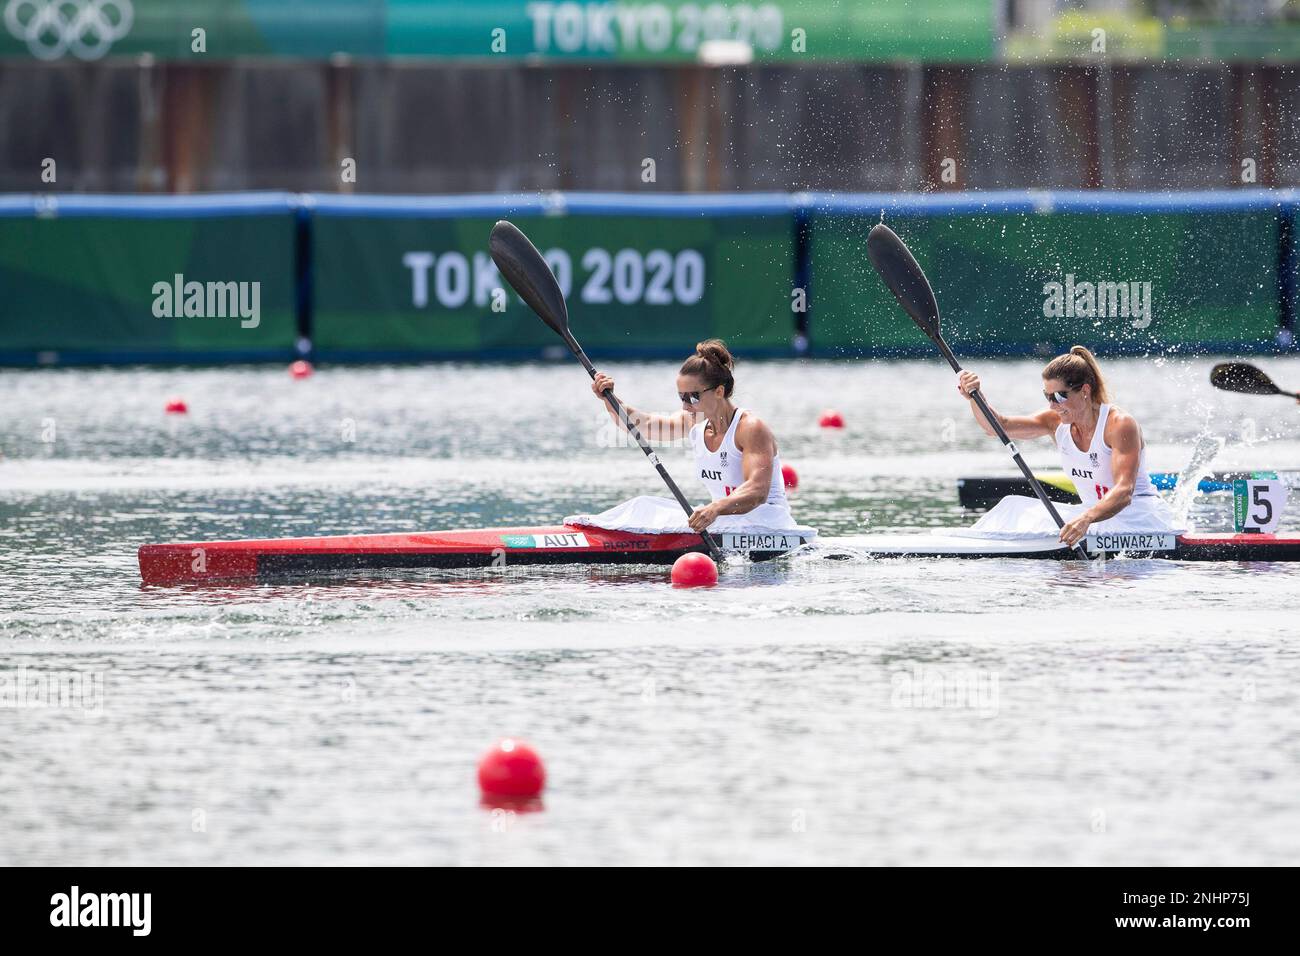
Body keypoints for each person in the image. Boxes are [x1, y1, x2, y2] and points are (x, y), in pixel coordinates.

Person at [576, 339, 809, 536]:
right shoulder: (696, 422)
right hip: (724, 522)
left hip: (767, 526)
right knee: (644, 505)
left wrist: (714, 509)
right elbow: (643, 425)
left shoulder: (750, 428)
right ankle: (584, 531)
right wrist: (609, 399)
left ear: (719, 391)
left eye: (693, 397)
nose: (686, 405)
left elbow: (757, 491)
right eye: (682, 397)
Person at [956, 345, 1182, 546]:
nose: (1053, 405)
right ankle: (966, 544)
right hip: (1094, 520)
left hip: (1139, 520)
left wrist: (1085, 519)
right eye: (1048, 396)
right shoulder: (1054, 422)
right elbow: (997, 427)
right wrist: (976, 397)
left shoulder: (1119, 424)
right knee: (1012, 507)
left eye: (1060, 396)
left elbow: (1124, 492)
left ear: (1085, 391)